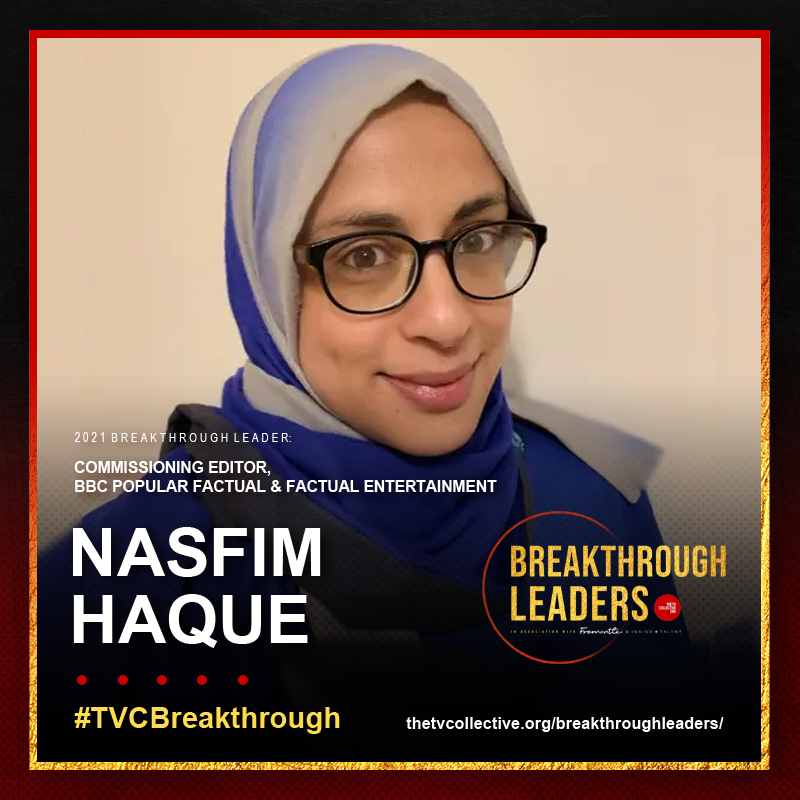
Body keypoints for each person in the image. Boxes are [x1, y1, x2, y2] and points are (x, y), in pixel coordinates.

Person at [39, 44, 699, 763]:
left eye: (478, 237)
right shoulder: (112, 586)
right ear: (269, 284)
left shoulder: (594, 498)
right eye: (364, 255)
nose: (447, 320)